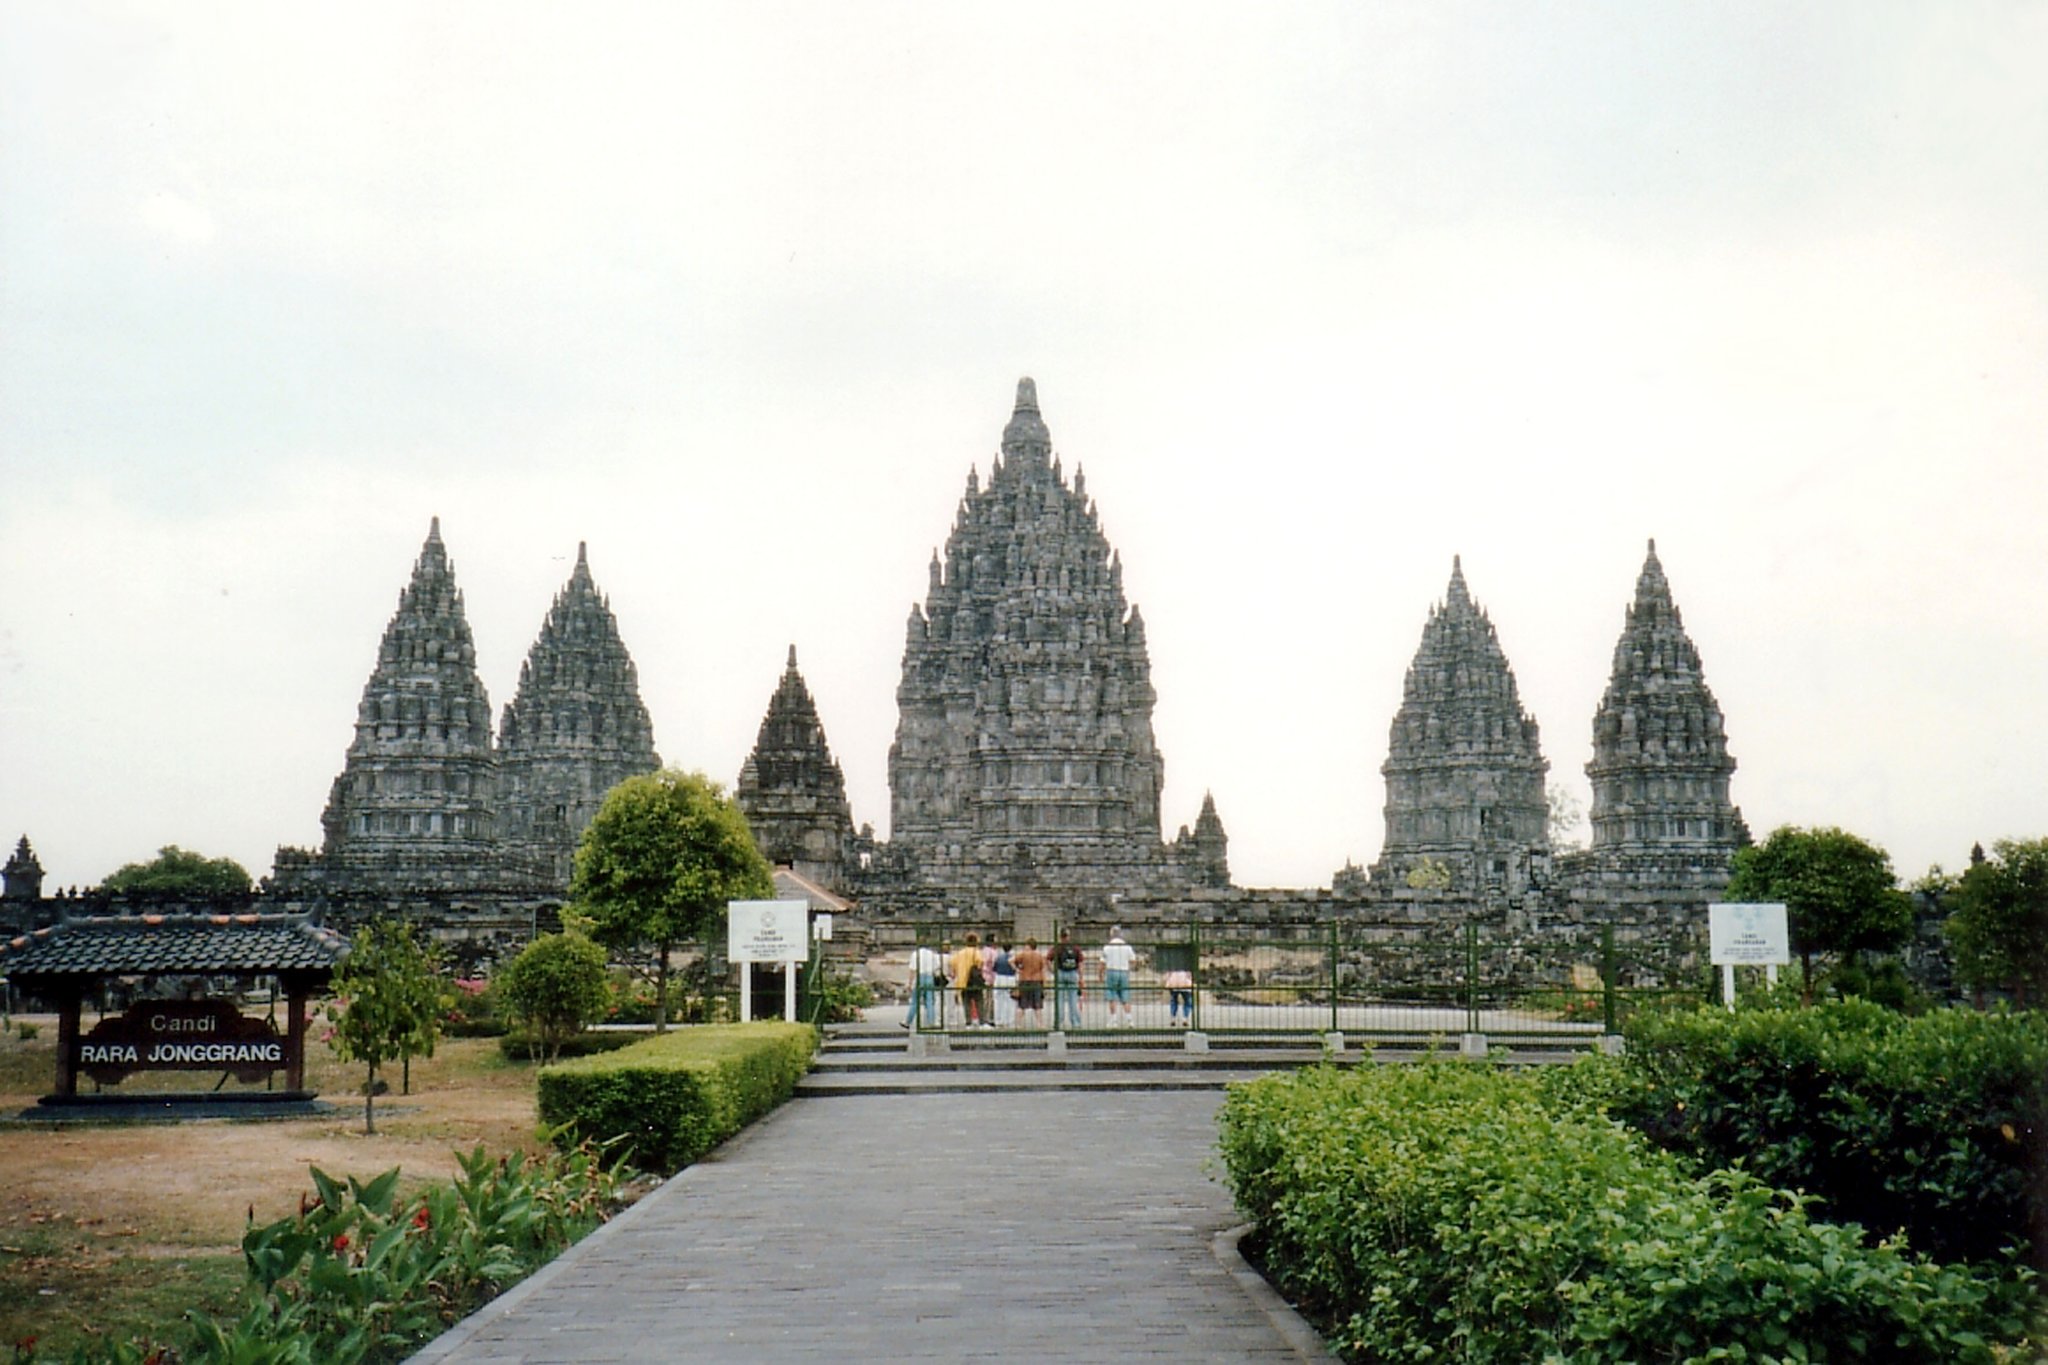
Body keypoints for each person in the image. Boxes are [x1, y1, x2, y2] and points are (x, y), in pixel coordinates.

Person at [1100, 926, 1137, 1027]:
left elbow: (1102, 963)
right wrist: (1129, 967)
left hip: (1111, 971)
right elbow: (1133, 960)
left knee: (1111, 996)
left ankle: (1114, 1020)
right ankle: (1130, 1020)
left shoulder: (1107, 947)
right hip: (1124, 971)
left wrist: (1100, 974)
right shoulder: (1127, 947)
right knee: (1125, 996)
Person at [902, 941, 944, 1030]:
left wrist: (910, 983)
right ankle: (931, 1022)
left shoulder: (915, 954)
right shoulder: (932, 954)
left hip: (920, 977)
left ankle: (907, 1021)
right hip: (929, 977)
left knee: (915, 1001)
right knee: (930, 1001)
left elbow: (912, 970)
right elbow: (937, 967)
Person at [1051, 928, 1085, 1031]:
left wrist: (1053, 971)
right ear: (1068, 936)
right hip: (1072, 973)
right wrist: (1081, 977)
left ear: (1060, 937)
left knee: (1059, 1000)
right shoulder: (1075, 948)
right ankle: (1075, 1022)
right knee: (1073, 1000)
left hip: (1060, 972)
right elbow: (1080, 963)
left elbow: (1047, 959)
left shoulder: (1057, 948)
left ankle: (1058, 1022)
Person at [950, 933, 987, 1028]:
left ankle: (968, 1022)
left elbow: (952, 963)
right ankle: (981, 1021)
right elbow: (980, 962)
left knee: (966, 1002)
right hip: (974, 981)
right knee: (979, 1000)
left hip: (962, 981)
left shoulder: (960, 953)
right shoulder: (976, 952)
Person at [1011, 938, 1049, 1029]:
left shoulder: (1023, 955)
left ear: (1028, 946)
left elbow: (1011, 961)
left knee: (1022, 1005)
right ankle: (1040, 1024)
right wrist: (1045, 983)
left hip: (1024, 980)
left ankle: (1018, 1024)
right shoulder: (1039, 956)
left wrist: (1018, 970)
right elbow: (1043, 970)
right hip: (1036, 981)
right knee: (1038, 1005)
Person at [990, 940, 1018, 1027]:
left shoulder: (998, 957)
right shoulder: (1013, 958)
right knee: (1009, 1000)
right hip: (1010, 978)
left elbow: (994, 968)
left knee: (998, 1000)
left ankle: (998, 1020)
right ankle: (1009, 1020)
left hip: (999, 978)